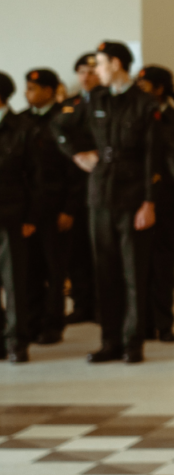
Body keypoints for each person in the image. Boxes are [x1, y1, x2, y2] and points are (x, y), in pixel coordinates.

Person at [52, 42, 163, 364]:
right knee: (105, 273)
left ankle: (132, 343)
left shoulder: (144, 103)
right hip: (101, 194)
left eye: (99, 64)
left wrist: (149, 202)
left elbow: (152, 157)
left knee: (133, 274)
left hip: (133, 196)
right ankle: (110, 341)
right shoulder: (94, 100)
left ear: (116, 64)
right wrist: (76, 153)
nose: (96, 71)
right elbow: (59, 126)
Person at [134, 66, 174, 343]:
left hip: (168, 202)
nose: (139, 89)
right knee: (138, 266)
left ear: (159, 89)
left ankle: (165, 324)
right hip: (136, 201)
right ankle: (143, 324)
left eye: (144, 85)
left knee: (163, 265)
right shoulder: (133, 114)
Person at [0, 72, 54, 363]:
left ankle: (17, 342)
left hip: (12, 216)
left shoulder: (23, 128)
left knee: (14, 283)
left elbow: (36, 178)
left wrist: (31, 216)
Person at [19, 69, 71, 346]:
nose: (29, 94)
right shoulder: (22, 121)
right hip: (28, 208)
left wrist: (70, 209)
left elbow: (73, 170)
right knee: (29, 269)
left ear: (50, 91)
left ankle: (53, 323)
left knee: (54, 270)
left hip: (55, 206)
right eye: (27, 89)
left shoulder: (64, 119)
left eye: (34, 89)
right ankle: (32, 320)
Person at [50, 53, 99, 325]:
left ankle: (105, 306)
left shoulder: (112, 103)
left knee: (103, 251)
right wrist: (77, 154)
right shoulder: (70, 106)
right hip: (74, 183)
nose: (86, 77)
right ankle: (82, 305)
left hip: (103, 183)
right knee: (77, 252)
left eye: (91, 71)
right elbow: (58, 135)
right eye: (81, 71)